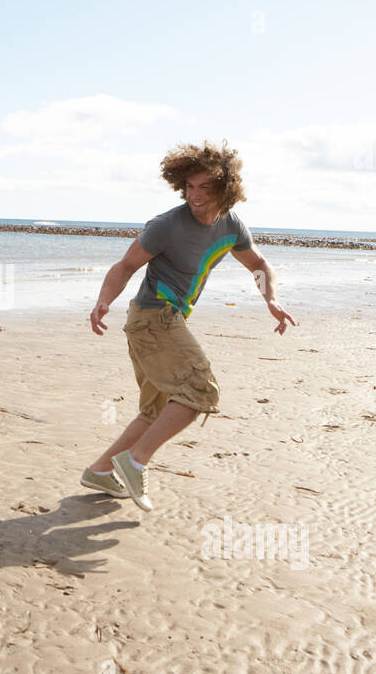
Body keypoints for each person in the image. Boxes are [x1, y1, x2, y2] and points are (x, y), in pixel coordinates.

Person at [83, 140, 294, 511]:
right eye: (189, 187)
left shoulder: (231, 225)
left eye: (204, 188)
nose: (194, 196)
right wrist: (104, 301)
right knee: (201, 392)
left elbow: (259, 264)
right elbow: (125, 266)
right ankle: (135, 462)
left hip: (161, 321)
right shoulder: (167, 225)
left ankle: (101, 471)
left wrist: (271, 299)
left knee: (157, 409)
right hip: (154, 318)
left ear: (225, 189)